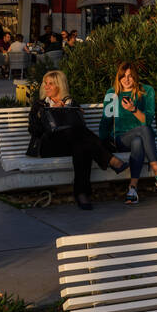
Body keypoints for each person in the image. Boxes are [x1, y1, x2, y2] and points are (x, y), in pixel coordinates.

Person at [26, 70, 128, 209]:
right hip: (49, 146)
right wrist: (50, 112)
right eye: (45, 83)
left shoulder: (71, 102)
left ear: (60, 86)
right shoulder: (39, 105)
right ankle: (109, 159)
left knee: (81, 147)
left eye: (51, 84)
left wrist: (70, 111)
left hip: (70, 144)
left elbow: (80, 127)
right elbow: (34, 131)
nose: (46, 86)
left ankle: (81, 194)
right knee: (78, 138)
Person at [99, 62, 157, 204]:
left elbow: (147, 121)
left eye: (130, 76)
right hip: (122, 139)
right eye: (123, 76)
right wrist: (102, 144)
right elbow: (106, 121)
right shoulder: (113, 94)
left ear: (136, 77)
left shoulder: (146, 91)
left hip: (142, 139)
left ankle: (132, 188)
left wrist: (133, 109)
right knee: (143, 131)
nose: (126, 79)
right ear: (119, 77)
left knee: (138, 140)